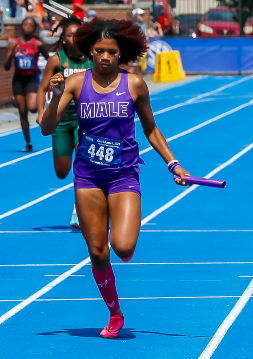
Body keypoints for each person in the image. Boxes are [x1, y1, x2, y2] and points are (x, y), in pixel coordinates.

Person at [40, 18, 191, 338]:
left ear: (121, 53)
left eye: (112, 51)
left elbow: (151, 128)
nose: (105, 57)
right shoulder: (76, 83)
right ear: (89, 51)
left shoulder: (134, 84)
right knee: (97, 251)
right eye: (99, 51)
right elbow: (47, 128)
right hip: (88, 177)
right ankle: (114, 312)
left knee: (122, 248)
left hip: (123, 175)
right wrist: (54, 96)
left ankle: (122, 232)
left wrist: (173, 164)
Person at [37, 16, 93, 228]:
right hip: (60, 119)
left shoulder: (91, 58)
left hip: (84, 118)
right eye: (70, 35)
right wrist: (41, 111)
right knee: (61, 172)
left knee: (83, 161)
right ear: (63, 38)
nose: (74, 38)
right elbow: (42, 89)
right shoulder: (56, 60)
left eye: (78, 35)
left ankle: (79, 209)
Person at [4, 17, 47, 153]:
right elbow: (6, 67)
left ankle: (28, 102)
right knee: (22, 112)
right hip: (18, 79)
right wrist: (11, 54)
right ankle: (28, 143)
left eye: (31, 25)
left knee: (32, 108)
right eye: (25, 24)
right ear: (21, 26)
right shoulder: (13, 43)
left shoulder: (38, 44)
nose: (28, 26)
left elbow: (49, 60)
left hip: (32, 78)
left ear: (34, 28)